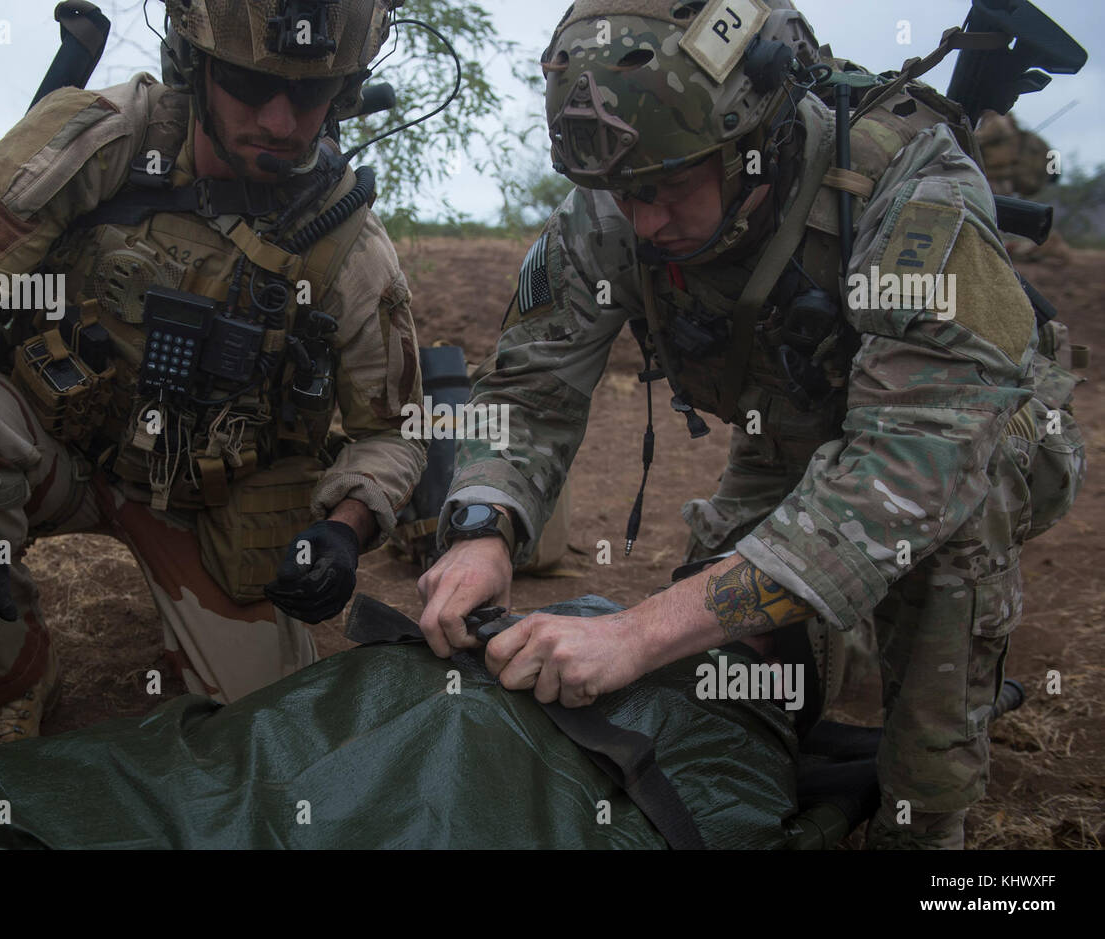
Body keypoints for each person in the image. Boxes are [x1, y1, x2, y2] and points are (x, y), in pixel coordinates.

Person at [417, 0, 1086, 848]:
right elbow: (529, 388)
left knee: (934, 558)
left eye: (664, 191)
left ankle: (929, 823)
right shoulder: (621, 201)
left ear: (755, 145)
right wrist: (484, 524)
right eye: (623, 194)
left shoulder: (913, 184)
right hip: (794, 430)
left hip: (974, 445)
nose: (643, 223)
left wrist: (639, 629)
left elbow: (913, 467)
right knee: (733, 636)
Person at [0, 0, 424, 765]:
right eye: (252, 86)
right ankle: (9, 677)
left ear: (345, 95)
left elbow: (396, 429)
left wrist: (344, 529)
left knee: (269, 732)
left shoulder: (350, 243)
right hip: (52, 438)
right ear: (199, 67)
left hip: (205, 494)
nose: (282, 122)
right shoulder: (105, 137)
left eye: (311, 95)